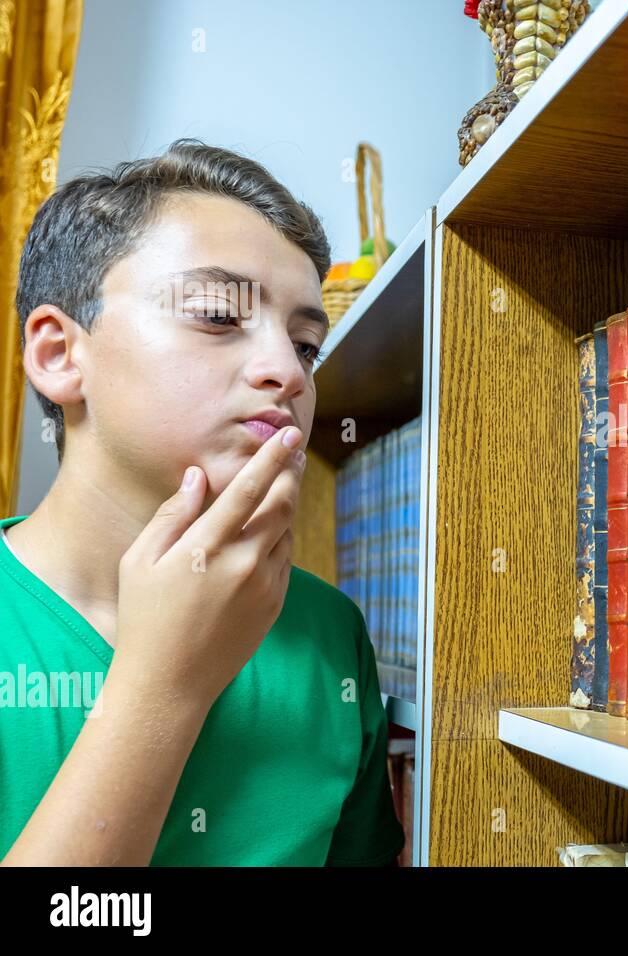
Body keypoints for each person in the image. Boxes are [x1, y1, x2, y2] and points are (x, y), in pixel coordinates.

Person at [0, 139, 404, 866]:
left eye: (307, 344)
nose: (287, 372)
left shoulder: (332, 636)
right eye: (219, 315)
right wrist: (163, 688)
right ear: (61, 354)